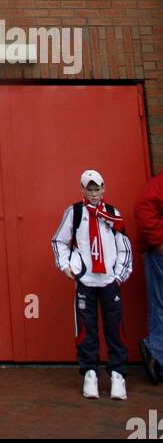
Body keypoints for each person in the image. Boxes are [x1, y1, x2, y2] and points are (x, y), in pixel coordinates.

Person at [52, 167, 133, 399]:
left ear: (104, 189)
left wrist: (119, 275)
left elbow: (123, 247)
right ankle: (90, 373)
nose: (94, 194)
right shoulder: (75, 213)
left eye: (98, 189)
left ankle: (117, 374)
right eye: (90, 190)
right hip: (86, 280)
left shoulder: (112, 213)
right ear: (82, 190)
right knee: (86, 329)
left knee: (114, 328)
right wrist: (66, 266)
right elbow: (59, 240)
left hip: (109, 281)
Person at [134, 169, 163, 384]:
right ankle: (156, 355)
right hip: (159, 255)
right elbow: (144, 208)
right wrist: (159, 242)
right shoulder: (159, 184)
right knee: (160, 304)